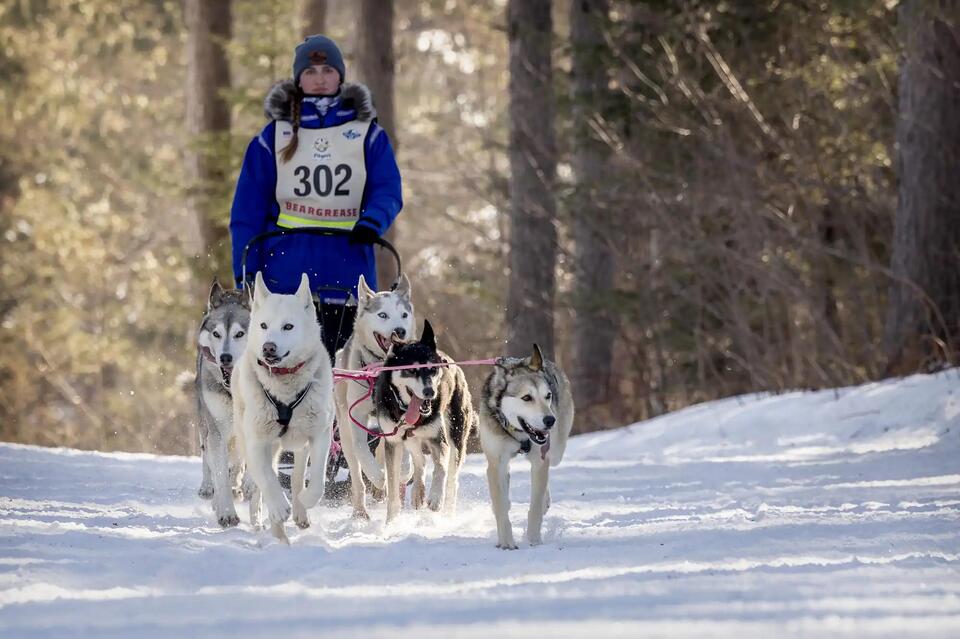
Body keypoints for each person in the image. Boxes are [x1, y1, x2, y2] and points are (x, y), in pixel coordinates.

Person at [229, 34, 403, 497]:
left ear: (341, 77)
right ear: (298, 79)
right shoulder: (274, 136)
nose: (320, 78)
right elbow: (247, 206)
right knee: (284, 368)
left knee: (346, 373)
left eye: (328, 71)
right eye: (310, 71)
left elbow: (389, 189)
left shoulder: (367, 133)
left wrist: (373, 220)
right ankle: (283, 456)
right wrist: (244, 266)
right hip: (286, 277)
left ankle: (343, 454)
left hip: (348, 271)